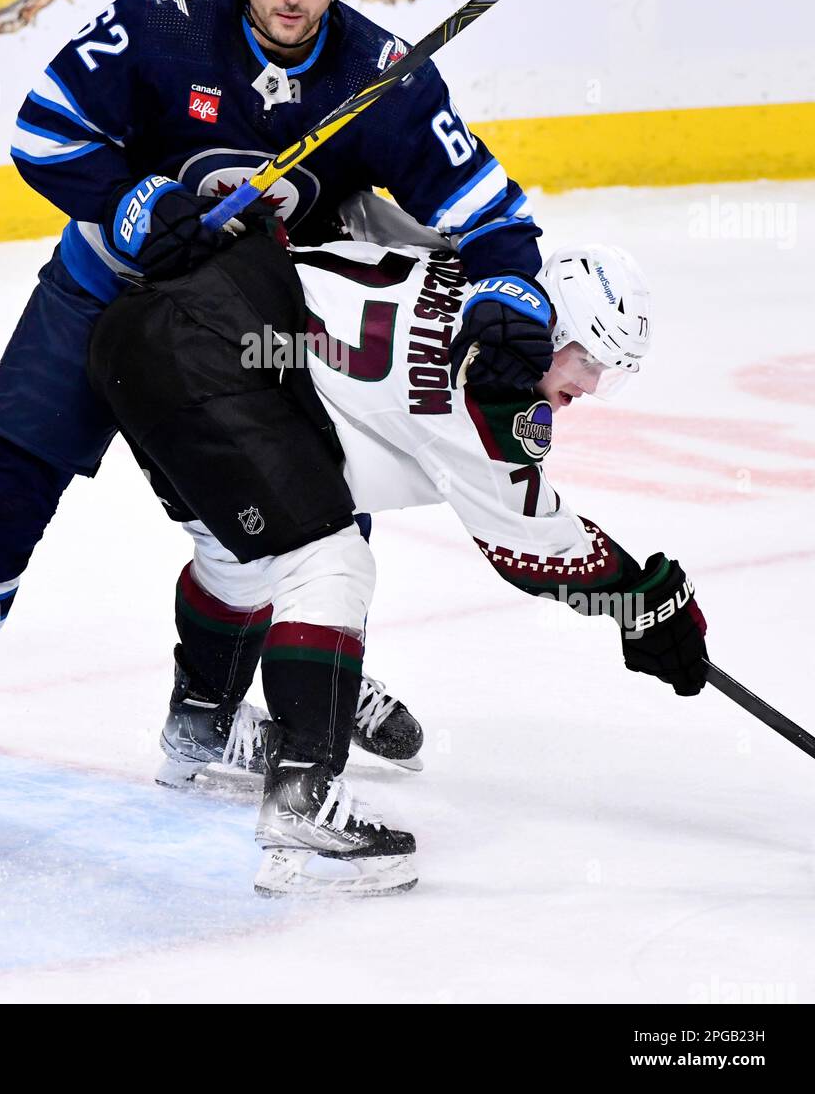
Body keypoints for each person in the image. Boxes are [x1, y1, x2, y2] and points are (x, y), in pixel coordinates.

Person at [0, 0, 551, 794]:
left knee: (319, 510)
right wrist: (128, 200)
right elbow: (46, 130)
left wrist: (512, 292)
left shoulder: (384, 79)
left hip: (253, 326)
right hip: (104, 287)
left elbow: (490, 212)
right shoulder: (167, 22)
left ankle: (308, 668)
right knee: (3, 486)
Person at [88, 209, 708, 896]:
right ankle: (302, 796)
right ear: (553, 330)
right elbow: (534, 551)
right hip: (216, 364)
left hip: (138, 339)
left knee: (238, 552)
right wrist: (647, 601)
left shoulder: (465, 264)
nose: (589, 387)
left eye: (609, 372)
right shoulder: (486, 392)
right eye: (589, 359)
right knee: (331, 562)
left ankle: (201, 721)